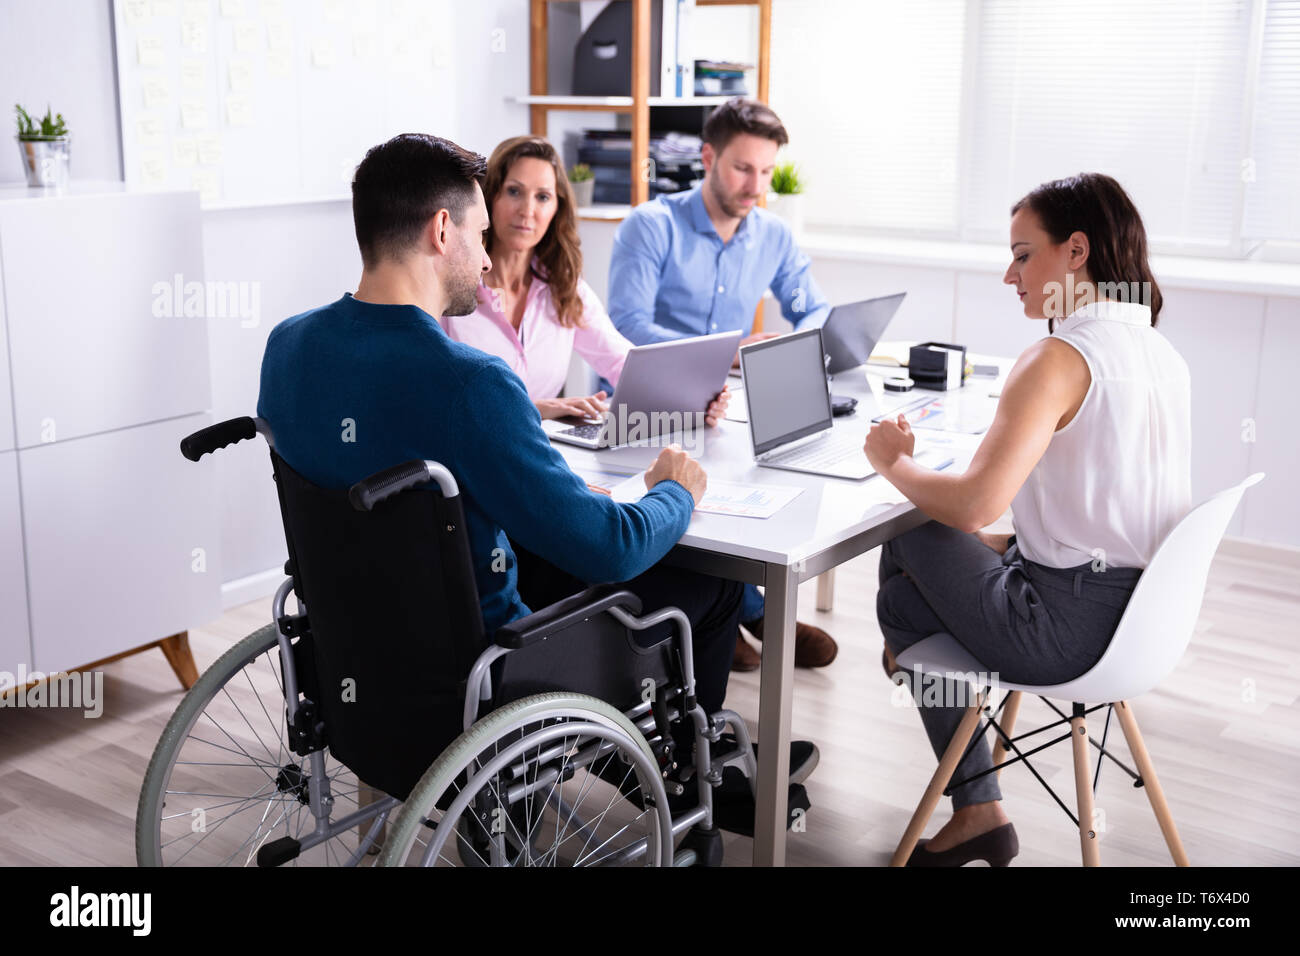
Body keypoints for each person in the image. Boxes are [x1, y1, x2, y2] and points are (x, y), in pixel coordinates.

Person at [256, 133, 813, 831]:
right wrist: (675, 491)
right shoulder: (471, 382)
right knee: (711, 587)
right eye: (482, 234)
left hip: (358, 639)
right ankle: (679, 783)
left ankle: (663, 761)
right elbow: (609, 550)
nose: (489, 257)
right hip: (482, 663)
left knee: (560, 552)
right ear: (441, 230)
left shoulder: (289, 344)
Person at [863, 172, 1191, 866]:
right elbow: (1097, 508)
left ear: (1075, 251)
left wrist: (895, 461)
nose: (1008, 274)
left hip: (1066, 634)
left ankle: (974, 797)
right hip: (1143, 625)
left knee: (910, 525)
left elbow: (977, 503)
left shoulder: (1058, 357)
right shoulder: (1161, 353)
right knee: (904, 591)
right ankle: (970, 790)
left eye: (1021, 253)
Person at [608, 96, 838, 672]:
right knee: (699, 494)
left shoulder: (772, 236)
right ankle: (745, 615)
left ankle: (737, 609)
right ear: (708, 156)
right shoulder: (651, 225)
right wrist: (732, 350)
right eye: (742, 168)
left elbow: (813, 309)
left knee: (771, 476)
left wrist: (790, 345)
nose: (754, 185)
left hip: (719, 405)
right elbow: (628, 322)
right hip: (647, 406)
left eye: (765, 171)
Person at [442, 134, 730, 428]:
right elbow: (436, 398)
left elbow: (623, 363)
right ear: (490, 197)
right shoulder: (452, 286)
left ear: (557, 208)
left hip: (540, 450)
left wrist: (696, 401)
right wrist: (535, 409)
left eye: (542, 197)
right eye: (514, 191)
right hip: (467, 450)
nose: (527, 211)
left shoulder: (564, 288)